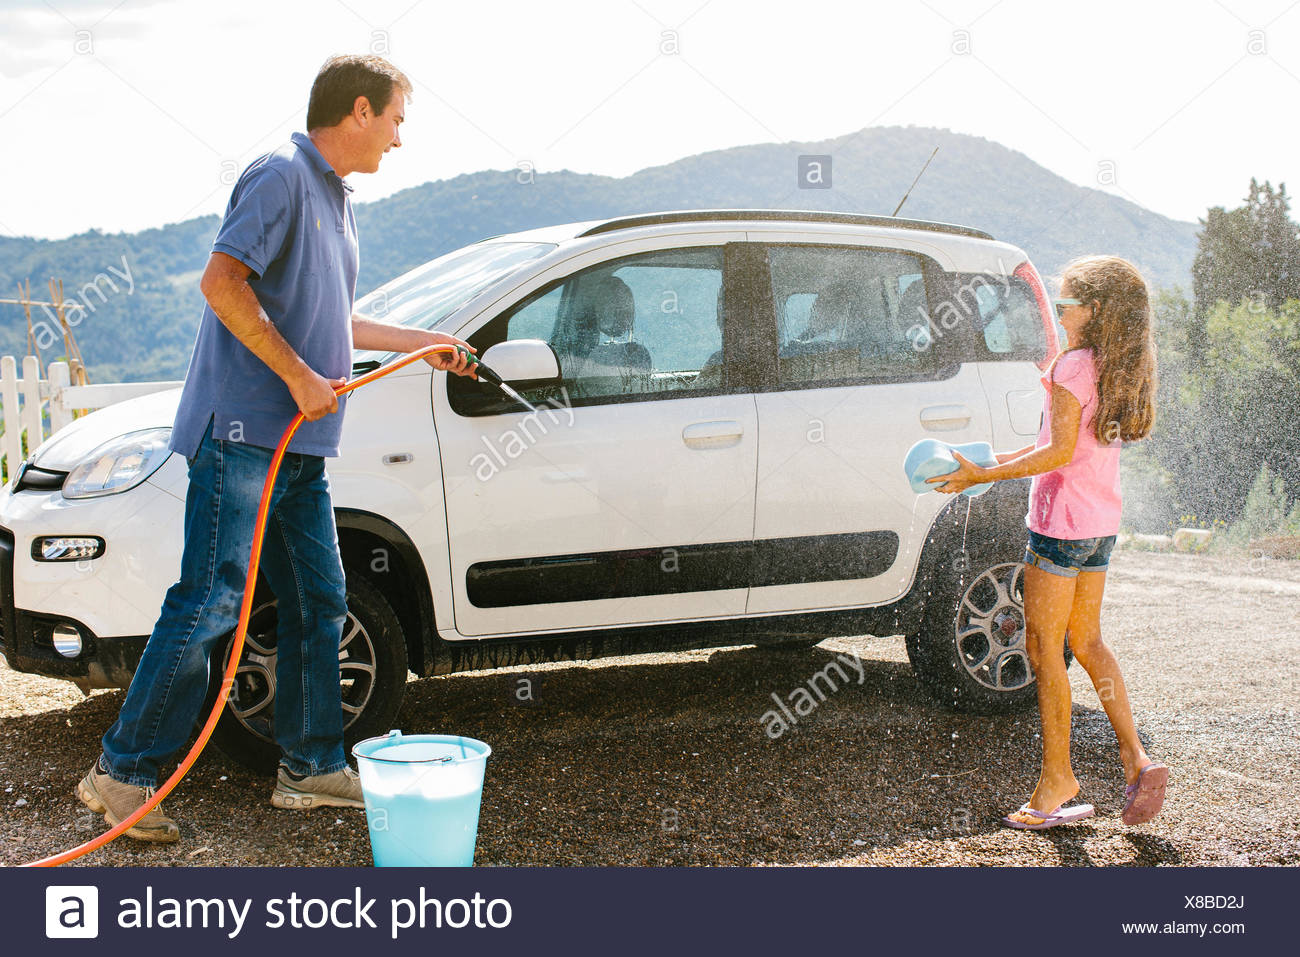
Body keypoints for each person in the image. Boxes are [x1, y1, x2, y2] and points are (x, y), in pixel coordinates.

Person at [77, 54, 478, 843]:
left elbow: (336, 318)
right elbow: (222, 283)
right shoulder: (280, 176)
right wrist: (297, 377)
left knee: (319, 598)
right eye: (397, 120)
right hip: (244, 435)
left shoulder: (335, 198)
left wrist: (424, 339)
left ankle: (309, 765)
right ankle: (120, 773)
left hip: (298, 451)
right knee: (211, 599)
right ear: (359, 110)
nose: (400, 139)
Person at [928, 254, 1169, 830]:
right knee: (1088, 642)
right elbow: (1060, 447)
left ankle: (1057, 780)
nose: (1058, 314)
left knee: (1043, 649)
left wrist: (981, 476)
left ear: (1096, 311)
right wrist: (986, 462)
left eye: (1066, 305)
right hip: (1098, 525)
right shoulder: (1121, 364)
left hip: (1059, 529)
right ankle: (1137, 759)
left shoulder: (1074, 367)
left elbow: (1057, 454)